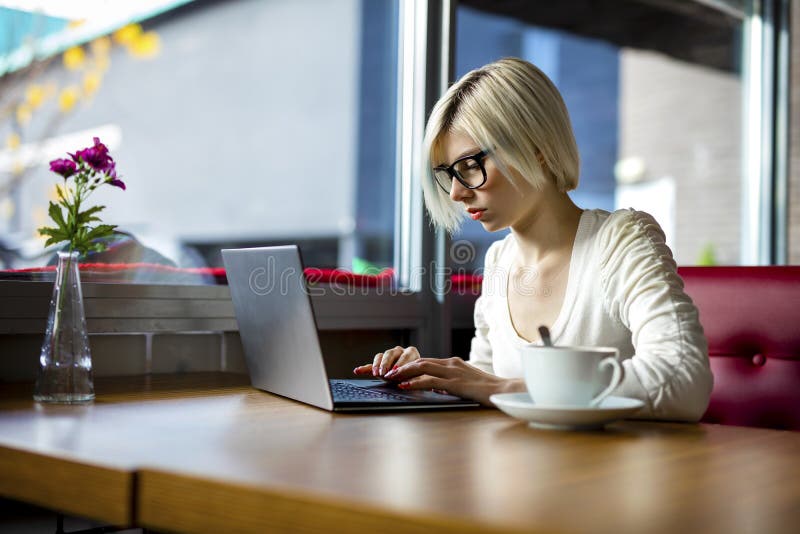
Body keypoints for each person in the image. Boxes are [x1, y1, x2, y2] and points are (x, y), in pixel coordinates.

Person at [353, 57, 713, 422]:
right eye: (448, 175)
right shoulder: (499, 261)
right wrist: (434, 381)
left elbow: (683, 381)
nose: (456, 194)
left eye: (470, 167)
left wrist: (503, 388)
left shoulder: (621, 241)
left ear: (536, 149)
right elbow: (486, 388)